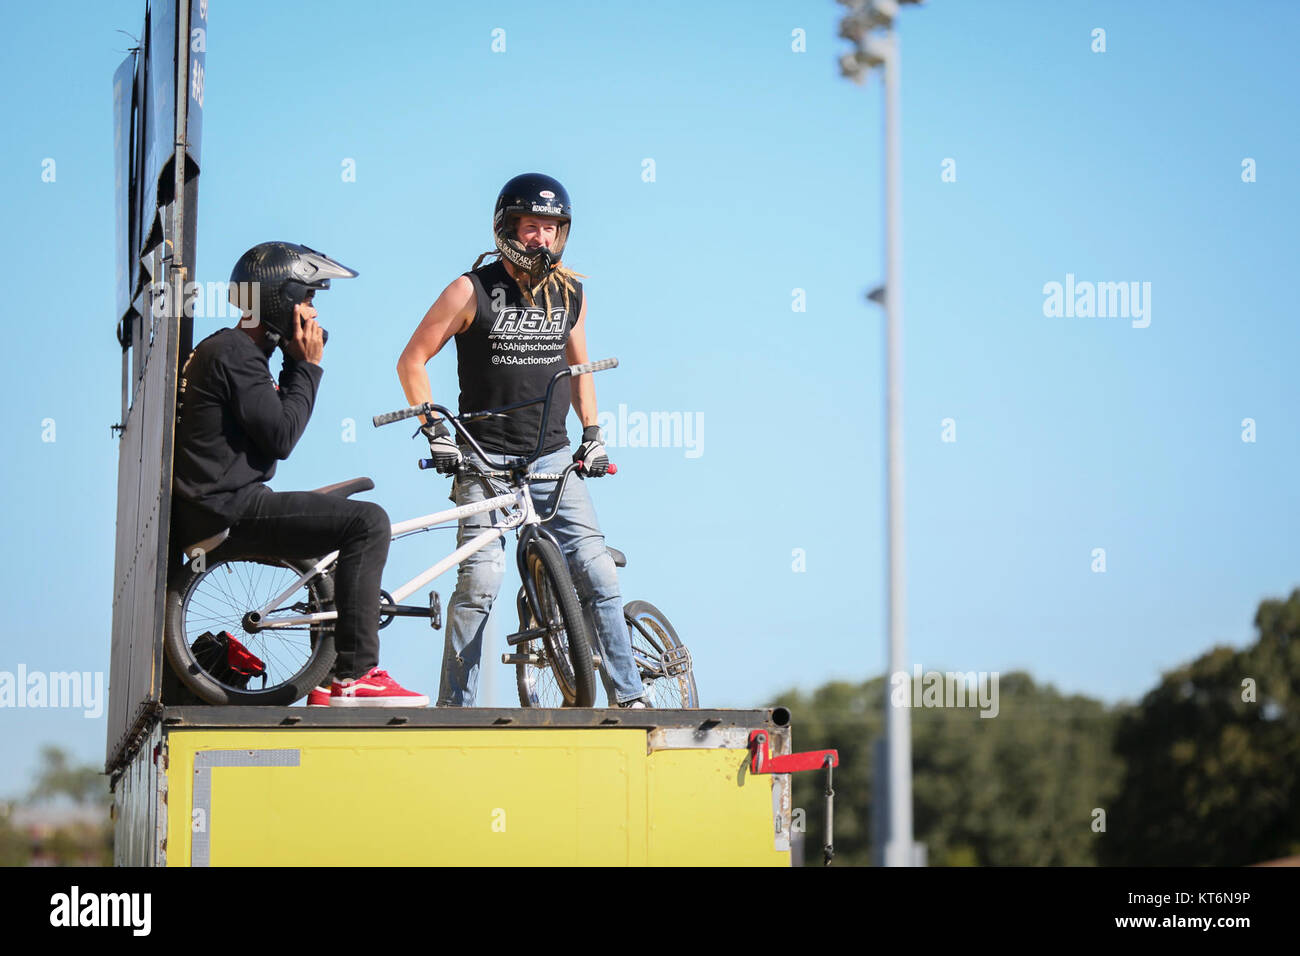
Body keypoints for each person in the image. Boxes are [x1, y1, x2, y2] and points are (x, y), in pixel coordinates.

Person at [396, 173, 647, 708]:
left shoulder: (570, 292)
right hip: (482, 459)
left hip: (552, 457)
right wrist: (433, 430)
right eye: (531, 227)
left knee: (597, 569)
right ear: (506, 228)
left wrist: (594, 437)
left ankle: (630, 699)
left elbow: (580, 367)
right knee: (481, 580)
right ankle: (455, 709)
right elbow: (412, 360)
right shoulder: (470, 290)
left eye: (552, 228)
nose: (542, 239)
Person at [171, 240, 427, 707]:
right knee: (368, 523)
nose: (312, 312)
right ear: (278, 299)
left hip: (219, 503)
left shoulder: (233, 351)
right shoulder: (235, 353)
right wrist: (305, 366)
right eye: (308, 299)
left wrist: (293, 364)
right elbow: (282, 438)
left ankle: (329, 678)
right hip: (226, 509)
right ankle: (355, 676)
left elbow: (271, 431)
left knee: (343, 521)